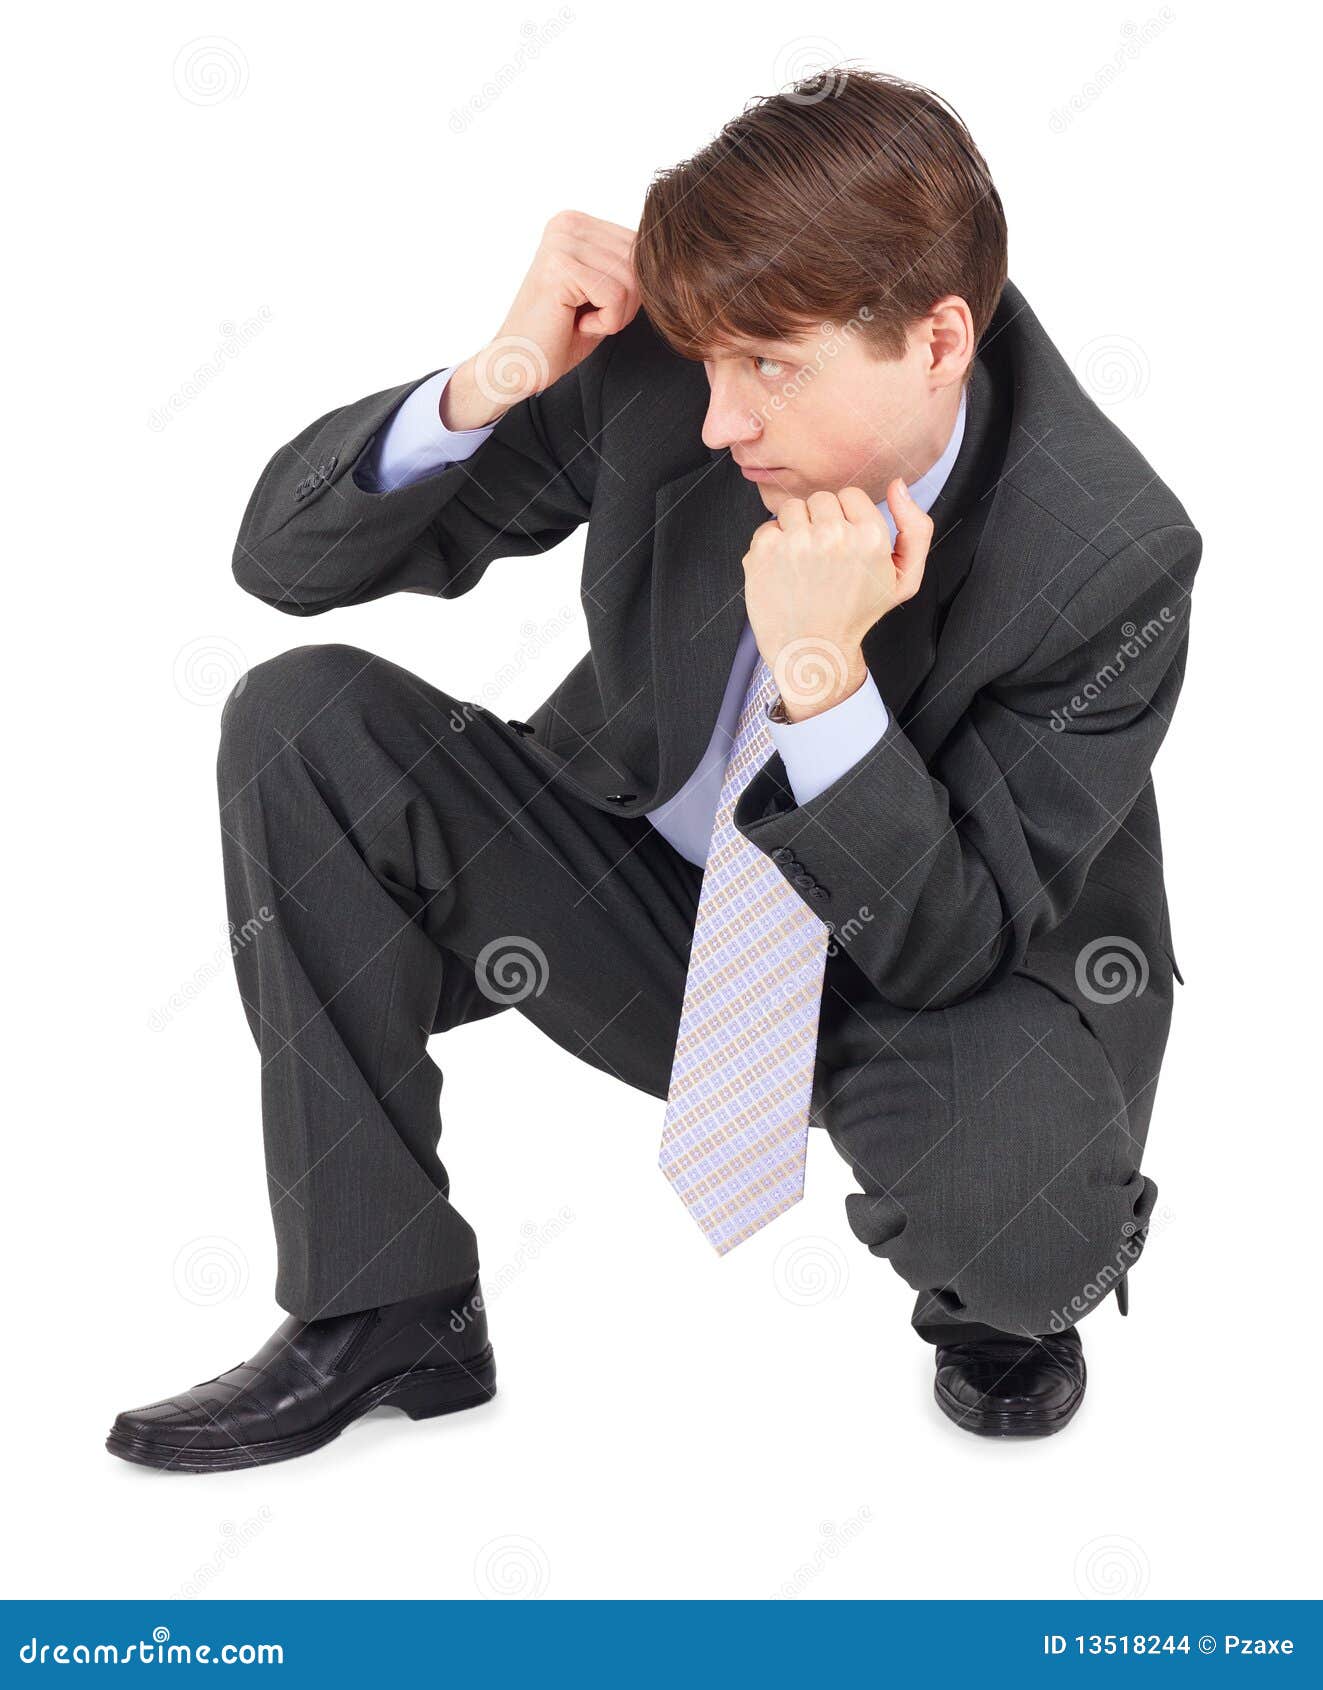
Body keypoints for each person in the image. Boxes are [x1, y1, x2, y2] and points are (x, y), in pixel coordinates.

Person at [108, 68, 1199, 1471]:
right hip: (644, 889)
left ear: (936, 340)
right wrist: (492, 375)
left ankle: (1000, 1294)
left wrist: (827, 683)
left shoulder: (1113, 560)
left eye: (773, 369)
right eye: (714, 364)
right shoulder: (687, 365)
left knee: (1031, 1244)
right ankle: (387, 1311)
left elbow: (942, 944)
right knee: (300, 722)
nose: (719, 420)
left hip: (932, 959)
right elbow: (285, 564)